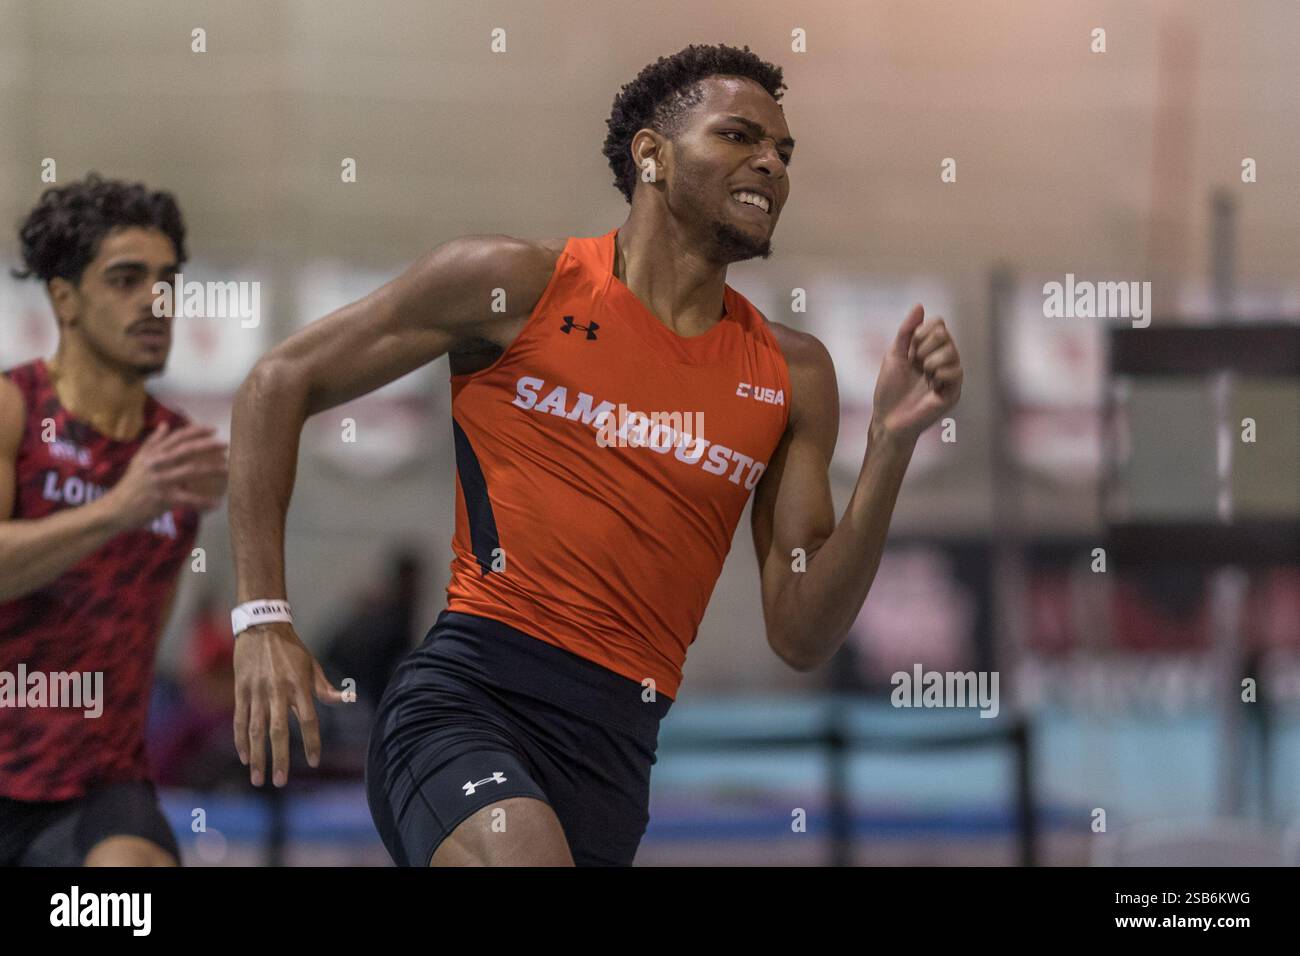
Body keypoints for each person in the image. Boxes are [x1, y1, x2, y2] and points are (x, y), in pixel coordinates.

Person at [228, 43, 963, 866]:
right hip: (467, 702)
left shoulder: (793, 373)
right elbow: (277, 383)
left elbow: (800, 630)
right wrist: (262, 618)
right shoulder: (513, 285)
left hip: (615, 755)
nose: (771, 163)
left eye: (784, 152)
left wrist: (890, 447)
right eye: (739, 136)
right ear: (651, 155)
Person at [0, 174, 228, 866]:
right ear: (64, 297)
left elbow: (140, 632)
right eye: (126, 279)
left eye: (167, 280)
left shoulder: (176, 454)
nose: (155, 302)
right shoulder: (16, 409)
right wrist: (117, 509)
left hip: (99, 789)